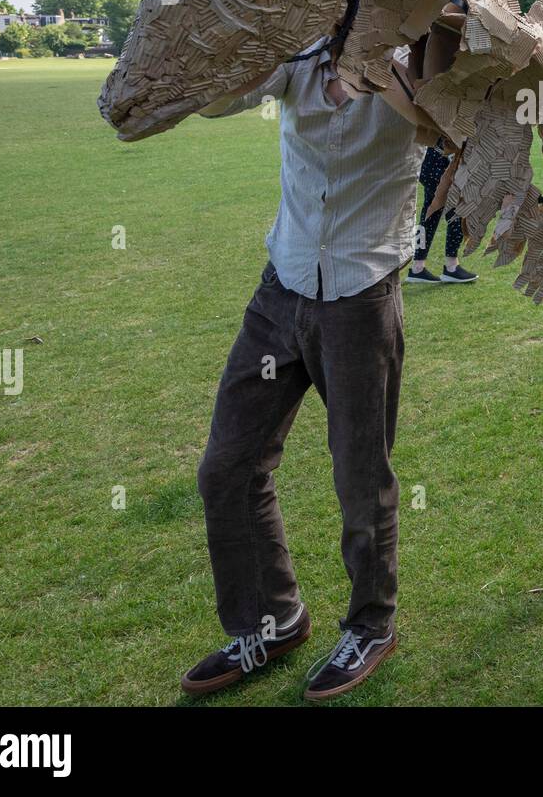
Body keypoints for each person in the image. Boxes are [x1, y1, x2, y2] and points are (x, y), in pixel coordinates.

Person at [179, 44, 432, 700]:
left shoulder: (420, 56)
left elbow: (444, 130)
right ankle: (272, 620)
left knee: (359, 473)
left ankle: (372, 626)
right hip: (282, 289)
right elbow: (219, 99)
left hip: (361, 294)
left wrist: (391, 72)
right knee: (227, 466)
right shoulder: (301, 54)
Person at [407, 140, 476, 284]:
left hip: (430, 165)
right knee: (456, 211)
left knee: (429, 215)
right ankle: (451, 267)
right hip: (439, 166)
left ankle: (417, 268)